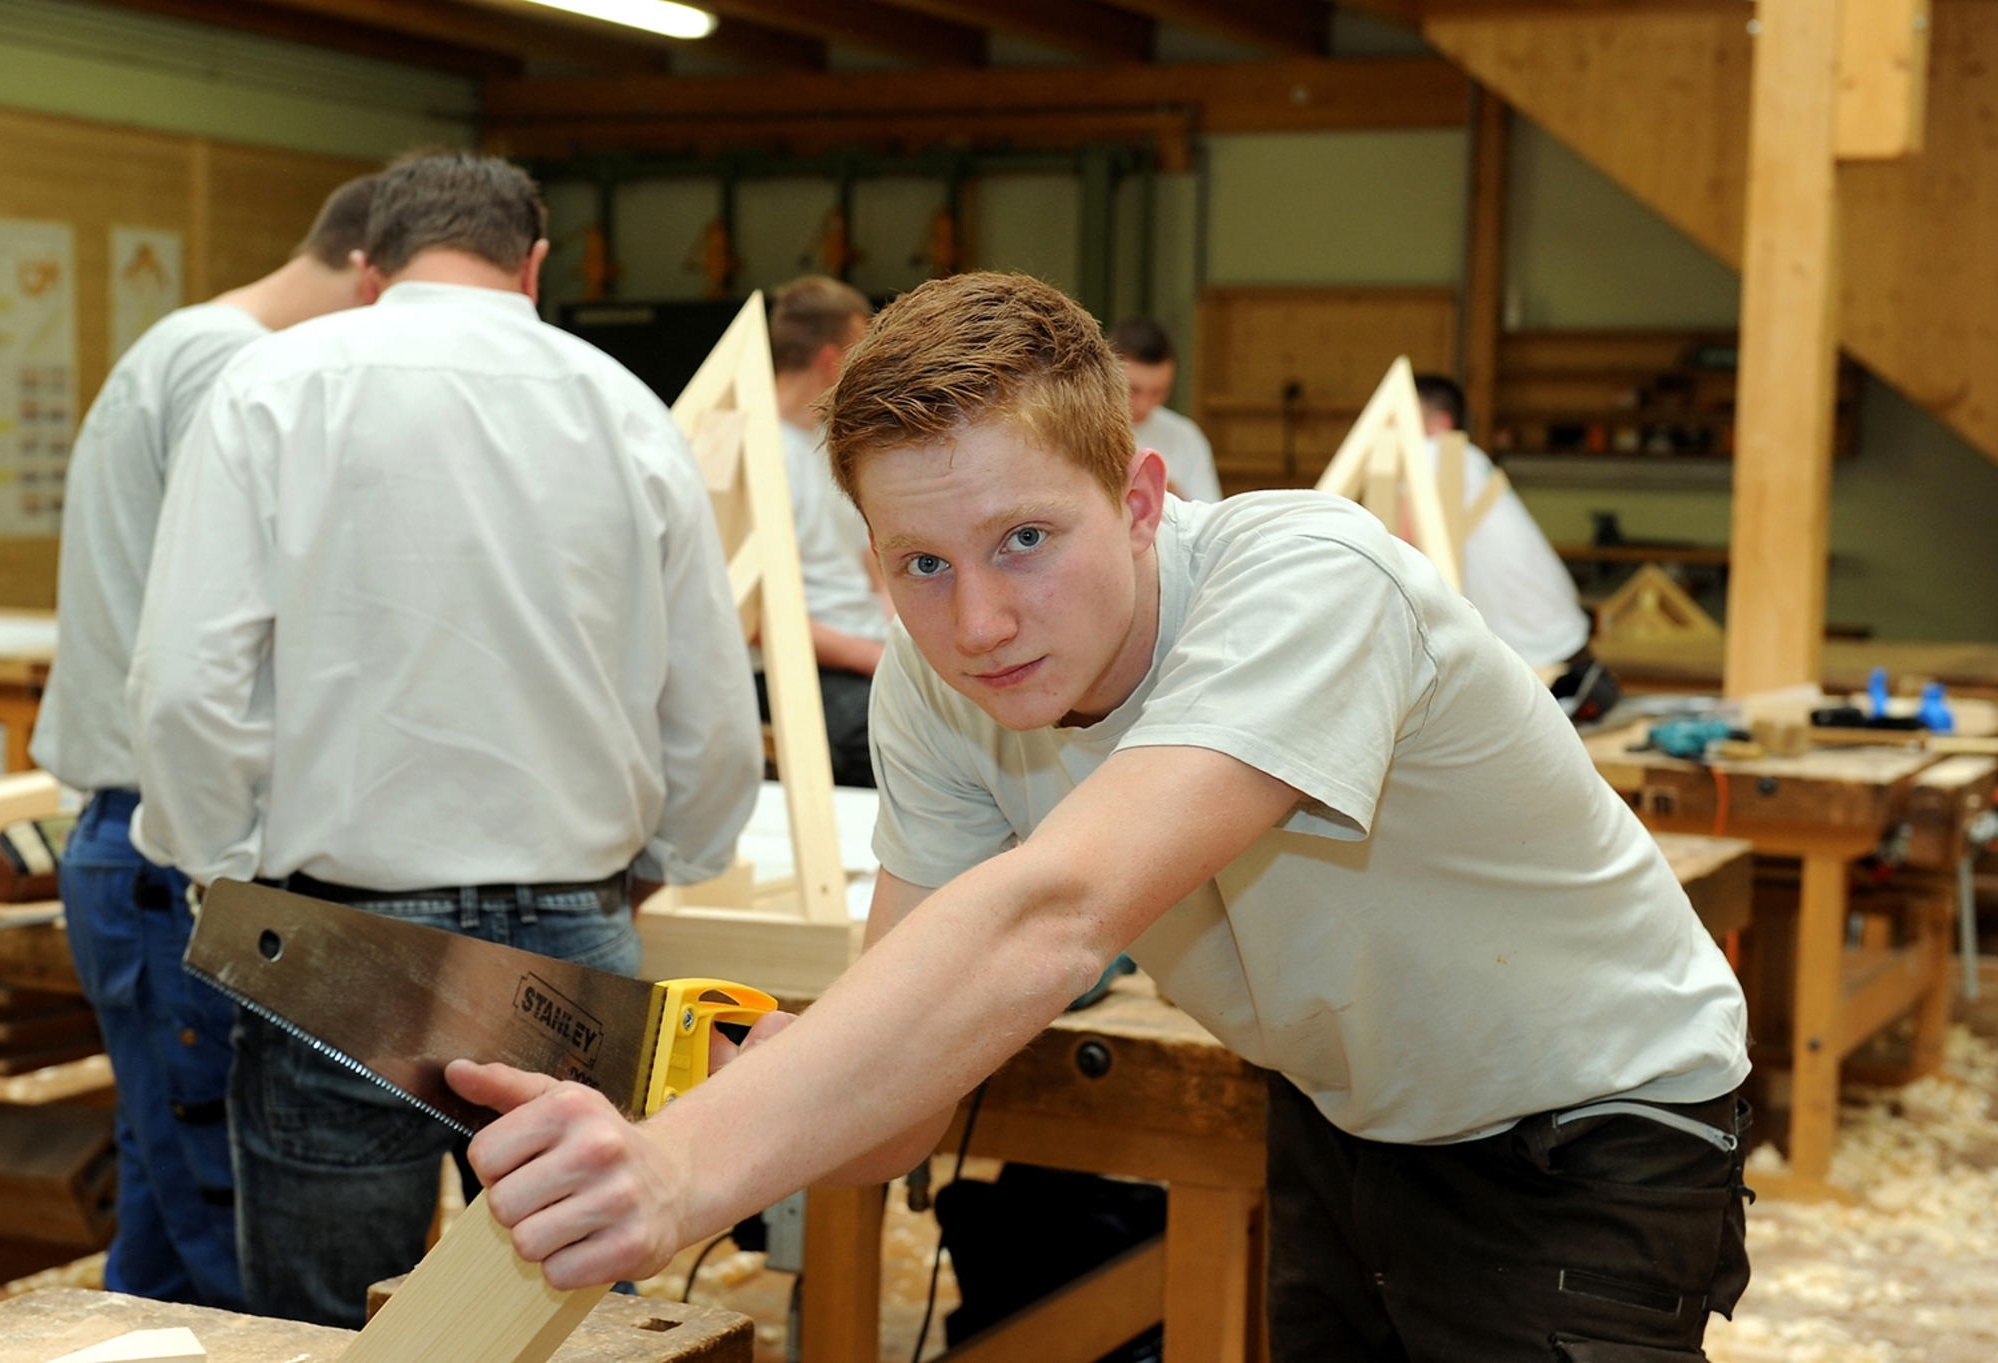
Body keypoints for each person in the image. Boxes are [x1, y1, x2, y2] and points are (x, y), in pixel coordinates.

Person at [449, 273, 1751, 1360]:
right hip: (1348, 1113)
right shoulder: (934, 686)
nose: (979, 622)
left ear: (1137, 500)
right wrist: (764, 1085)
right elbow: (906, 1108)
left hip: (1587, 1121)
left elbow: (1059, 912)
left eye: (1026, 537)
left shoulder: (1310, 581)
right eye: (923, 564)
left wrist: (680, 1171)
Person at [127, 150, 762, 1328]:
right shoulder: (620, 404)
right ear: (533, 263)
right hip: (571, 925)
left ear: (368, 268)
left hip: (336, 924)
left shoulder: (274, 386)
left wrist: (219, 858)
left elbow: (184, 685)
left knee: (313, 1327)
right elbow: (714, 707)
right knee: (564, 1323)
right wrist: (666, 857)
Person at [29, 174, 377, 1310]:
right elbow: (237, 640)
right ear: (372, 278)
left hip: (147, 835)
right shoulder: (234, 368)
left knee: (173, 1227)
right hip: (175, 846)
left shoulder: (192, 347)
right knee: (230, 1248)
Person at [767, 276, 889, 788]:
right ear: (831, 361)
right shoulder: (753, 452)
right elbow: (753, 618)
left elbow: (872, 561)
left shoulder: (832, 446)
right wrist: (872, 657)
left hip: (872, 650)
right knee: (894, 739)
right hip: (805, 668)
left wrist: (907, 634)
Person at [1412, 374, 1590, 669]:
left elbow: (1399, 544)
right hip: (1558, 630)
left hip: (1532, 650)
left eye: (1405, 415)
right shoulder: (1471, 458)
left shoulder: (1434, 453)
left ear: (1442, 423)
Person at [1111, 314, 1221, 502]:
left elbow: (1210, 518)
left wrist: (1172, 497)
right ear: (1109, 374)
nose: (1144, 405)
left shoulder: (1185, 436)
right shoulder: (1080, 427)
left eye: (1158, 392)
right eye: (1133, 390)